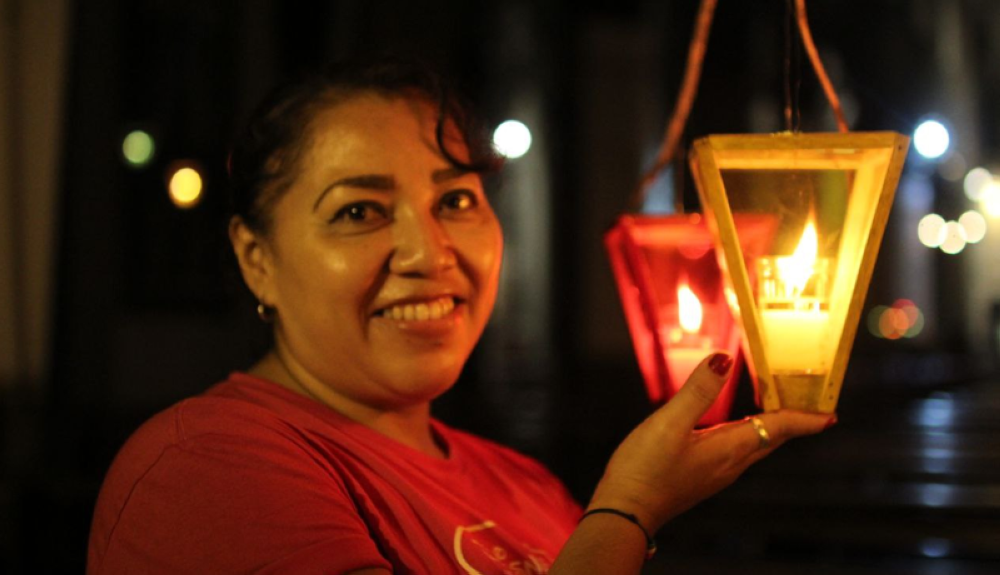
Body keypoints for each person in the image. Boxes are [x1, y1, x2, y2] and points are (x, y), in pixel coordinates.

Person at [87, 57, 834, 574]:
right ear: (257, 258)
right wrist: (628, 511)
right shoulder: (205, 467)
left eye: (456, 200)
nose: (428, 250)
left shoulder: (524, 484)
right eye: (358, 210)